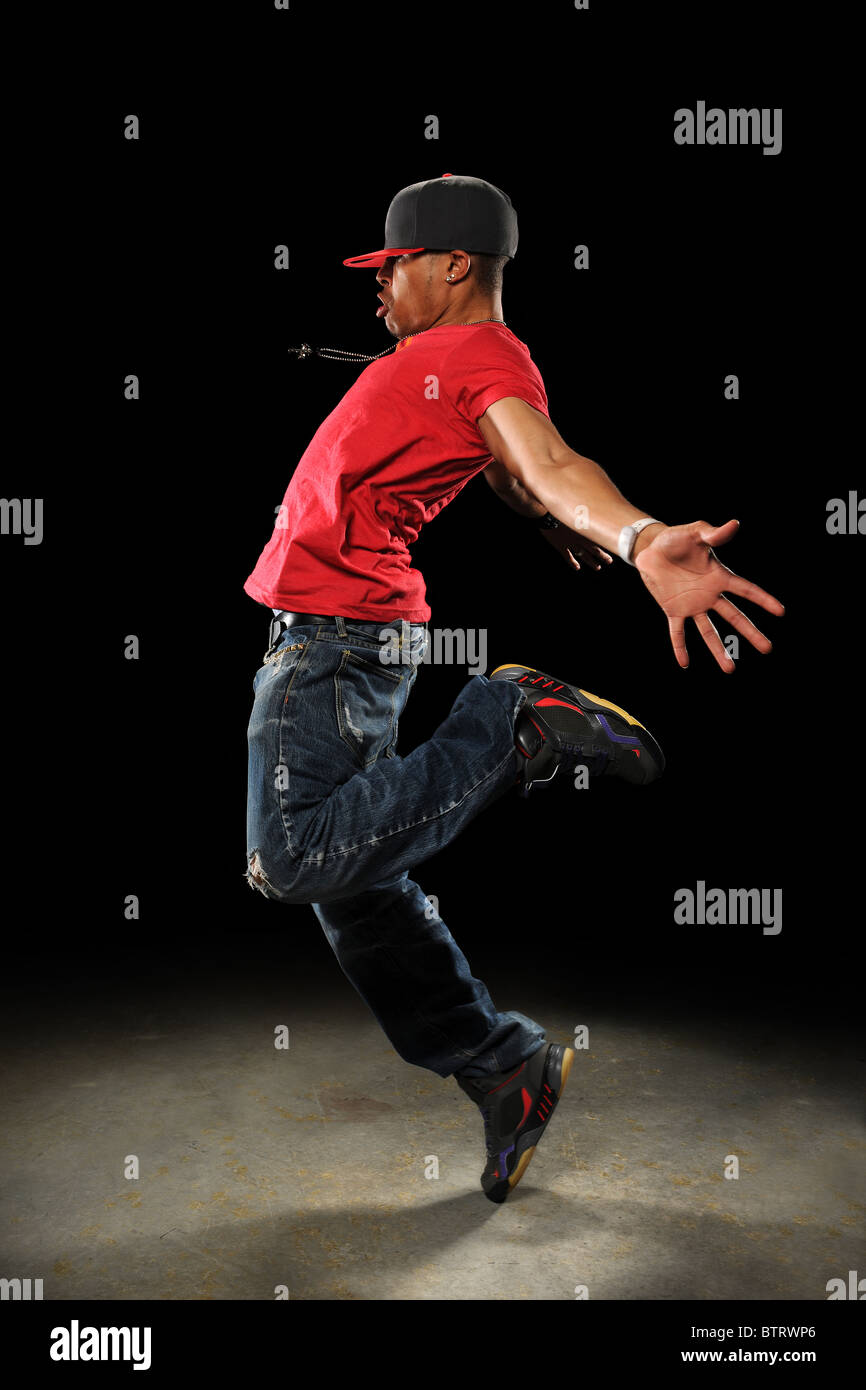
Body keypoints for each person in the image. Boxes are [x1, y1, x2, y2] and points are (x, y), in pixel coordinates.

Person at [242, 173, 784, 1204]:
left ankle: (512, 720)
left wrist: (631, 536)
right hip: (341, 640)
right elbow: (504, 465)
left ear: (452, 263)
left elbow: (546, 459)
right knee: (356, 892)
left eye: (391, 265)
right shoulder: (436, 362)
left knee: (294, 856)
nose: (378, 286)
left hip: (332, 644)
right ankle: (502, 1066)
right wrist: (530, 511)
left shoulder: (482, 356)